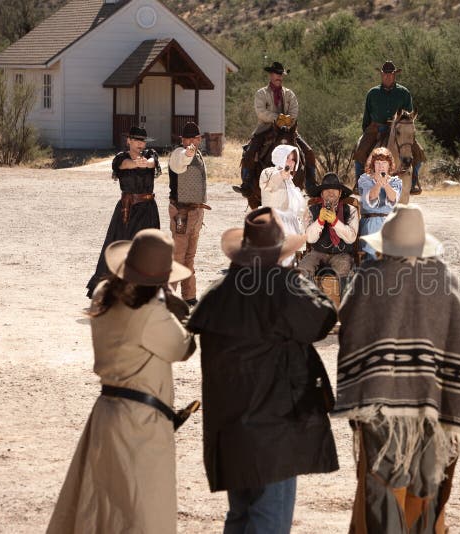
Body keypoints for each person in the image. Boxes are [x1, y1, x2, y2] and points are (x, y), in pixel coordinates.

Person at [187, 208, 339, 534]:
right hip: (273, 433)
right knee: (269, 520)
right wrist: (292, 277)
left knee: (240, 517)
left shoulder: (219, 292)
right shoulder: (283, 287)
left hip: (229, 430)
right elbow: (323, 318)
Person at [336, 204, 460, 533]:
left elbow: (350, 332)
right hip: (430, 405)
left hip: (379, 404)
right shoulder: (441, 277)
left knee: (382, 488)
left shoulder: (369, 277)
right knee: (426, 487)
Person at [48, 229, 196, 533]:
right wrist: (175, 304)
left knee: (100, 507)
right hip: (141, 423)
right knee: (142, 513)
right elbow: (184, 348)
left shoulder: (105, 294)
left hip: (106, 412)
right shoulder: (152, 313)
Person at [86, 126, 161, 298]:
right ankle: (114, 291)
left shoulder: (150, 155)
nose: (140, 144)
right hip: (127, 210)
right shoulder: (121, 158)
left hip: (148, 210)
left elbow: (153, 163)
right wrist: (137, 163)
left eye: (142, 141)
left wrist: (146, 163)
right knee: (119, 248)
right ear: (128, 140)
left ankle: (144, 292)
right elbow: (124, 165)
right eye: (136, 140)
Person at [238, 61, 316, 197]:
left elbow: (294, 112)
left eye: (281, 74)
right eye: (276, 74)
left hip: (288, 130)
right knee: (250, 152)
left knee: (309, 152)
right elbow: (261, 112)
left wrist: (287, 121)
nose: (278, 77)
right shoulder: (261, 93)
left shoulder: (289, 94)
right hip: (265, 129)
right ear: (270, 75)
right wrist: (277, 118)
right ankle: (247, 183)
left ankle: (311, 185)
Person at [353, 61, 425, 194]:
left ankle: (413, 183)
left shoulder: (404, 93)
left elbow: (409, 116)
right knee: (359, 151)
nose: (387, 77)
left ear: (394, 75)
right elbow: (367, 116)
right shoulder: (372, 93)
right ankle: (359, 183)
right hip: (376, 128)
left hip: (399, 129)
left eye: (390, 74)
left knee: (419, 153)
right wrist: (367, 132)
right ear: (381, 74)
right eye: (385, 74)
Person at [168, 121, 210, 307]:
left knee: (189, 256)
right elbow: (180, 163)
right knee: (177, 256)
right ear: (184, 139)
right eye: (191, 138)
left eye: (197, 138)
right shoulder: (178, 153)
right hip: (182, 212)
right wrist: (188, 153)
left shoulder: (198, 153)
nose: (195, 141)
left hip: (196, 212)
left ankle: (189, 296)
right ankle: (166, 297)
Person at [297, 173, 359, 280]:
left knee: (345, 274)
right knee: (303, 270)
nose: (331, 192)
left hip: (341, 254)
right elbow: (310, 238)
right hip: (317, 253)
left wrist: (335, 222)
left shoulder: (350, 210)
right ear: (322, 193)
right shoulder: (312, 210)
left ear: (340, 193)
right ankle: (310, 296)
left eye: (334, 189)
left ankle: (344, 297)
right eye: (327, 189)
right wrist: (320, 221)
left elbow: (351, 238)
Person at [260, 144, 308, 266]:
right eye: (288, 158)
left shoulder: (290, 181)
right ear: (280, 157)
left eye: (293, 160)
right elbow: (267, 185)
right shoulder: (268, 172)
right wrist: (281, 174)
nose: (291, 162)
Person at [357, 147, 402, 261]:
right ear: (373, 165)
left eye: (384, 163)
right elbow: (371, 197)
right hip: (370, 224)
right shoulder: (364, 179)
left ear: (389, 165)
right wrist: (378, 184)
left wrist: (385, 184)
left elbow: (393, 198)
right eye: (377, 163)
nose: (381, 166)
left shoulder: (396, 181)